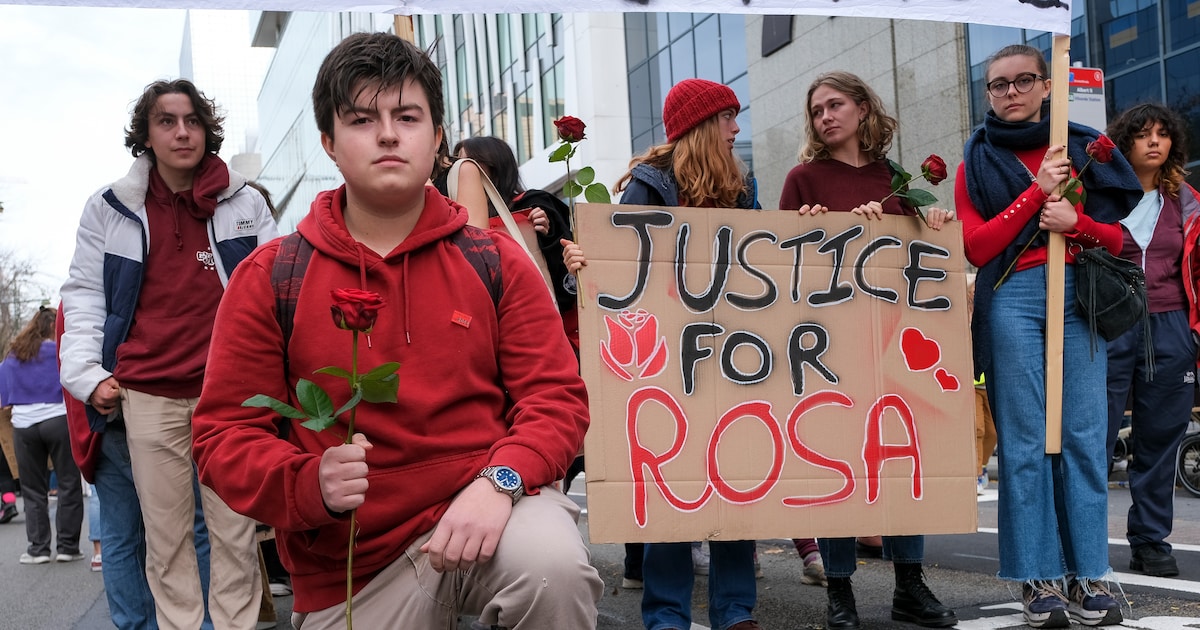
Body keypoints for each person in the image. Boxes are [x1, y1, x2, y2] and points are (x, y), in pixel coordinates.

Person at [190, 32, 603, 628]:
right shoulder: (272, 276)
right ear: (329, 143)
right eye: (362, 119)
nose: (387, 133)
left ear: (437, 139)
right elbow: (224, 433)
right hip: (353, 562)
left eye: (407, 117)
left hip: (491, 509)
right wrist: (308, 484)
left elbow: (556, 397)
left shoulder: (496, 261)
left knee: (553, 569)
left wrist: (500, 481)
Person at [59, 78, 276, 629]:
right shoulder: (110, 207)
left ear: (206, 129)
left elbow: (280, 291)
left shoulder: (245, 201)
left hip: (230, 396)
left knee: (234, 534)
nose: (182, 132)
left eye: (192, 121)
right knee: (168, 541)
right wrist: (88, 375)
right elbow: (84, 296)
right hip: (147, 394)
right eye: (166, 121)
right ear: (146, 135)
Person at [563, 77, 762, 630]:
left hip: (732, 357)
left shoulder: (743, 192)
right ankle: (667, 614)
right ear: (701, 126)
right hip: (668, 364)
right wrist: (586, 263)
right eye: (727, 118)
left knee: (738, 480)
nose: (736, 129)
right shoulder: (648, 188)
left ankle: (735, 610)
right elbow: (623, 271)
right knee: (672, 484)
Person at [956, 44, 1141, 628]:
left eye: (1022, 81)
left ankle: (1089, 574)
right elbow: (977, 247)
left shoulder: (1085, 149)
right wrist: (1037, 193)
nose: (1010, 93)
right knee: (1026, 440)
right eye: (998, 85)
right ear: (987, 94)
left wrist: (1077, 223)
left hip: (1079, 297)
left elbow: (1119, 244)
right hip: (1012, 297)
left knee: (1086, 436)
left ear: (1045, 86)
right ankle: (1038, 579)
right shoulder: (975, 161)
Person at [778, 70, 957, 630]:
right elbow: (775, 261)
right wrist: (810, 227)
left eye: (835, 105)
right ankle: (840, 593)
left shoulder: (898, 181)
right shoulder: (802, 180)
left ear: (862, 109)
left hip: (895, 342)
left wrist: (932, 219)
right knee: (838, 462)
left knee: (904, 457)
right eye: (816, 111)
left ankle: (909, 583)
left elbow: (922, 261)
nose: (825, 117)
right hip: (830, 342)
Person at [1104, 102, 1200, 578]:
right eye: (1144, 134)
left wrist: (1194, 334)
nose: (1155, 141)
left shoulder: (1187, 201)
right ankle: (1080, 539)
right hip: (1107, 324)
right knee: (1092, 437)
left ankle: (1150, 542)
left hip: (1170, 326)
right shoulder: (1099, 196)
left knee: (1161, 439)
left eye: (1163, 133)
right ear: (1126, 143)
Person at [453, 135, 579, 350]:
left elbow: (568, 284)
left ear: (492, 166)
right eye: (456, 164)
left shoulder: (535, 207)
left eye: (466, 163)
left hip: (540, 331)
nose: (457, 171)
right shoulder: (452, 217)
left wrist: (546, 236)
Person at [0, 306, 85, 565]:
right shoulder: (59, 350)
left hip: (24, 425)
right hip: (58, 420)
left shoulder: (15, 355)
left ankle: (38, 549)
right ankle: (67, 547)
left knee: (32, 488)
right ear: (53, 326)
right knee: (68, 483)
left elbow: (3, 396)